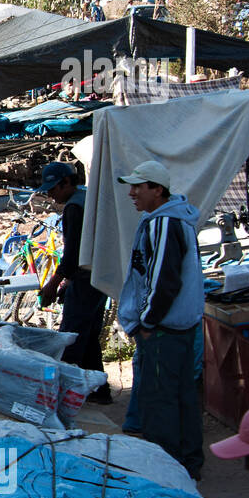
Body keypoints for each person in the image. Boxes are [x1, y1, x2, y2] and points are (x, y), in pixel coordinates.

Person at [116, 160, 205, 477]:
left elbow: (164, 281)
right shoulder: (174, 221)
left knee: (159, 401)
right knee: (182, 396)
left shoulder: (164, 224)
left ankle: (165, 470)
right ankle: (189, 463)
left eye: (138, 187)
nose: (132, 193)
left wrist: (148, 323)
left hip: (164, 330)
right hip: (177, 327)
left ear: (157, 189)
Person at [36, 161, 112, 403]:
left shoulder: (74, 208)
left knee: (70, 338)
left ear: (67, 182)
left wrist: (53, 283)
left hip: (86, 279)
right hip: (99, 276)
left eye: (53, 188)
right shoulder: (86, 197)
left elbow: (72, 255)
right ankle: (99, 390)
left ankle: (63, 394)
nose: (50, 194)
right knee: (88, 336)